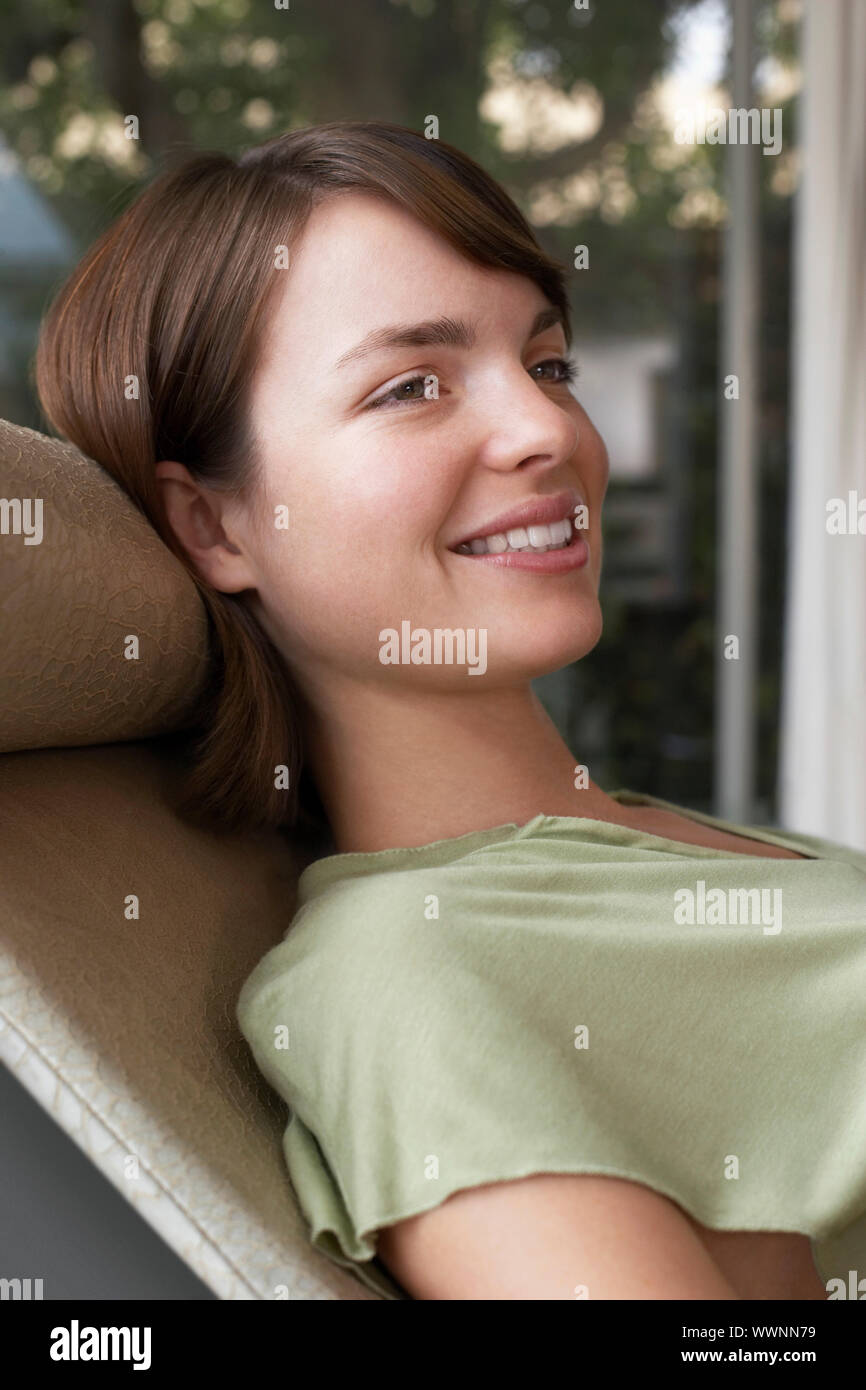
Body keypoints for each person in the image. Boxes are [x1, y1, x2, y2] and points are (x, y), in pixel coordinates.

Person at [34, 121, 866, 1302]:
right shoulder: (403, 976)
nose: (548, 432)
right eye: (411, 385)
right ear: (216, 525)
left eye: (547, 363)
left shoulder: (654, 845)